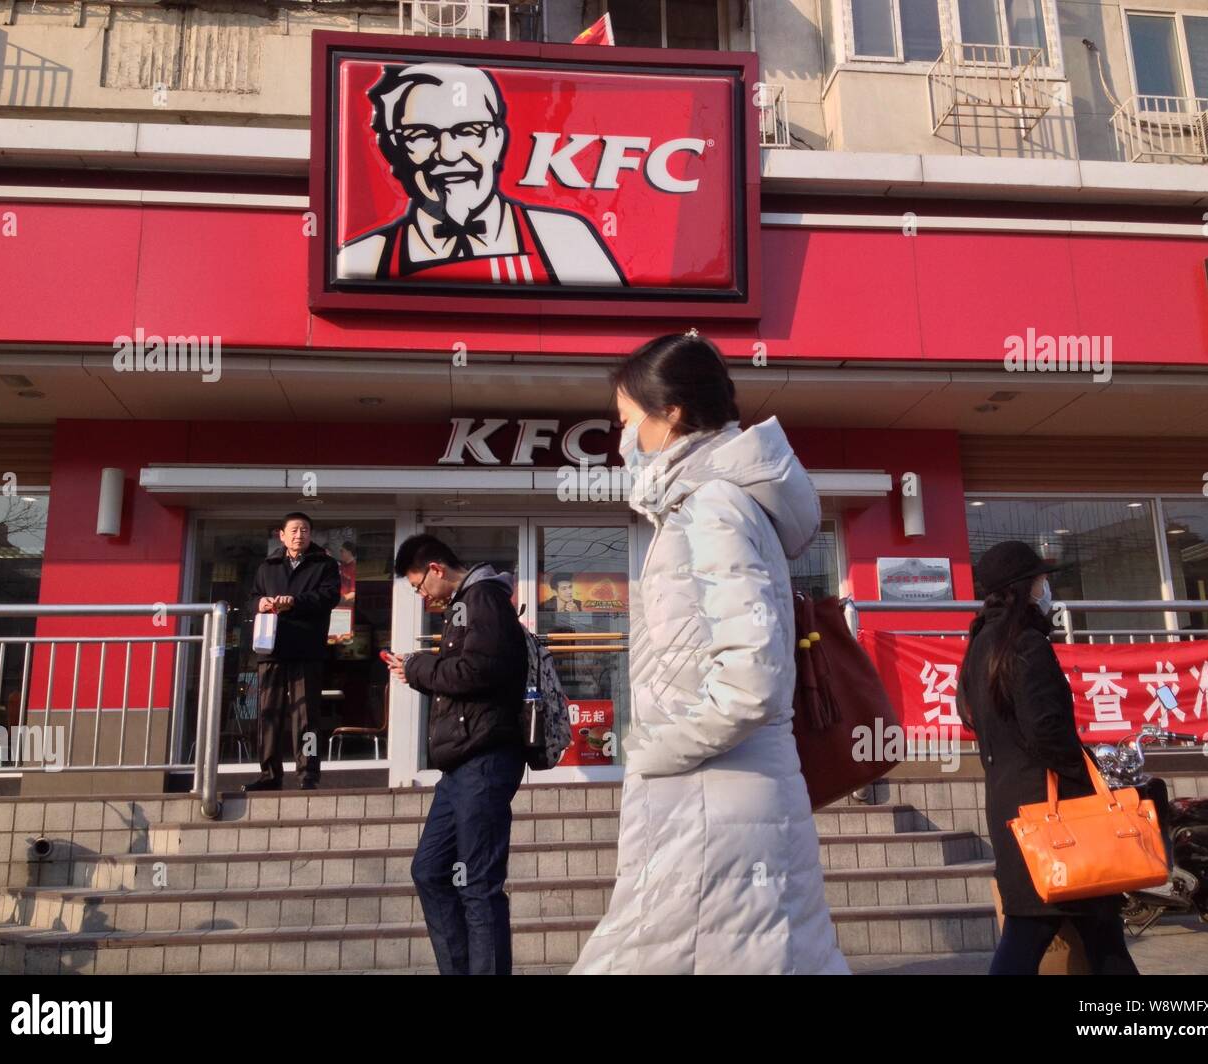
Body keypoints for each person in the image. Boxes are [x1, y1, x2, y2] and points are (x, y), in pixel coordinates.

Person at [569, 331, 851, 975]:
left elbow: (753, 676)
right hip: (722, 803)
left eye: (627, 421)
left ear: (670, 414)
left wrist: (656, 748)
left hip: (714, 810)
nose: (623, 441)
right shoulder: (712, 506)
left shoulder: (713, 509)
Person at [956, 540, 1140, 975]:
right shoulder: (1027, 645)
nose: (1046, 588)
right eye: (1041, 581)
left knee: (1078, 931)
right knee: (1072, 932)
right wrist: (1087, 774)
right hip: (1060, 819)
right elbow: (1046, 730)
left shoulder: (980, 645)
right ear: (1024, 588)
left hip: (1015, 811)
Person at [338, 62, 625, 287]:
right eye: (421, 135)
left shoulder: (564, 240)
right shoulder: (364, 258)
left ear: (498, 139)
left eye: (468, 131)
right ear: (394, 149)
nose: (448, 154)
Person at [387, 534, 529, 975]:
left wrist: (416, 667)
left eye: (418, 586)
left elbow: (480, 671)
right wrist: (420, 668)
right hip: (461, 765)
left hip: (485, 760)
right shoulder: (465, 607)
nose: (420, 595)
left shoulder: (483, 598)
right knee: (429, 870)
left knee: (479, 884)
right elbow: (467, 670)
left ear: (435, 569)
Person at [244, 512, 341, 792]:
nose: (300, 535)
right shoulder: (268, 566)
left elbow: (329, 596)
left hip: (306, 648)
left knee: (306, 715)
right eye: (295, 530)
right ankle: (269, 775)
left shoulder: (325, 564)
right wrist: (260, 604)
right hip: (271, 648)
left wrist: (295, 602)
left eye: (305, 530)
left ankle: (308, 774)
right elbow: (251, 597)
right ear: (282, 535)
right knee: (269, 713)